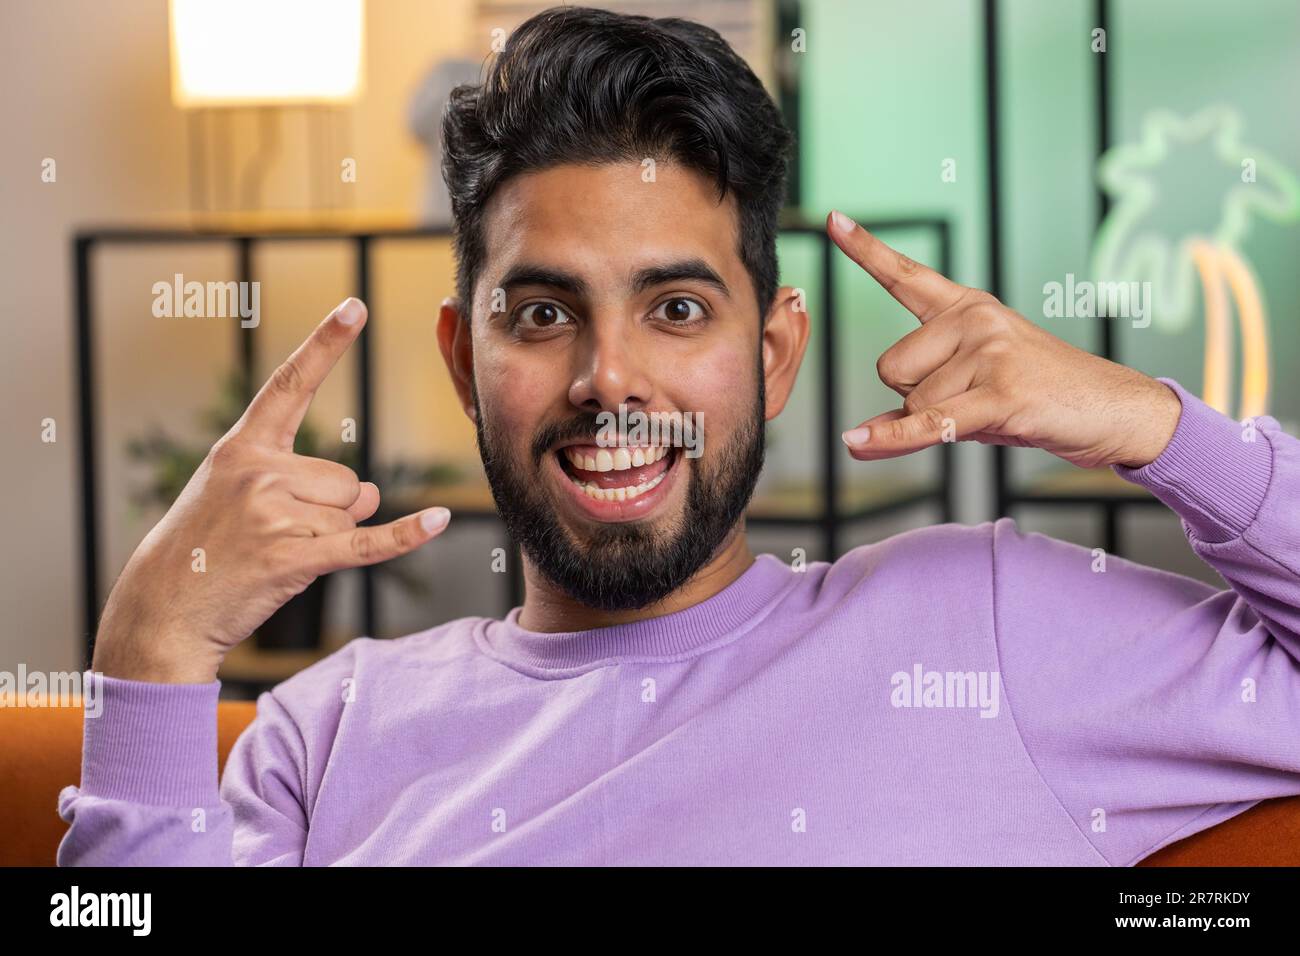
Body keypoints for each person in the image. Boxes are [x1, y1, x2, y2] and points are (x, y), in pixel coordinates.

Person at [58, 5, 1299, 866]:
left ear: (771, 354)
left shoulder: (989, 626)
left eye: (677, 308)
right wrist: (147, 655)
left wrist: (1149, 422)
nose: (610, 380)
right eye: (543, 312)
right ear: (462, 356)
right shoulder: (327, 732)